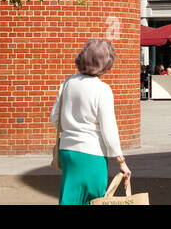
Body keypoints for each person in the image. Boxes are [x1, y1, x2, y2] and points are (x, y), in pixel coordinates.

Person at [49, 39, 130, 205]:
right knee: (95, 199)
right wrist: (121, 161)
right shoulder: (103, 90)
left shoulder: (67, 83)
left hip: (67, 150)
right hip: (92, 152)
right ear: (105, 63)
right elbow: (109, 130)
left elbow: (54, 117)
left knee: (69, 197)